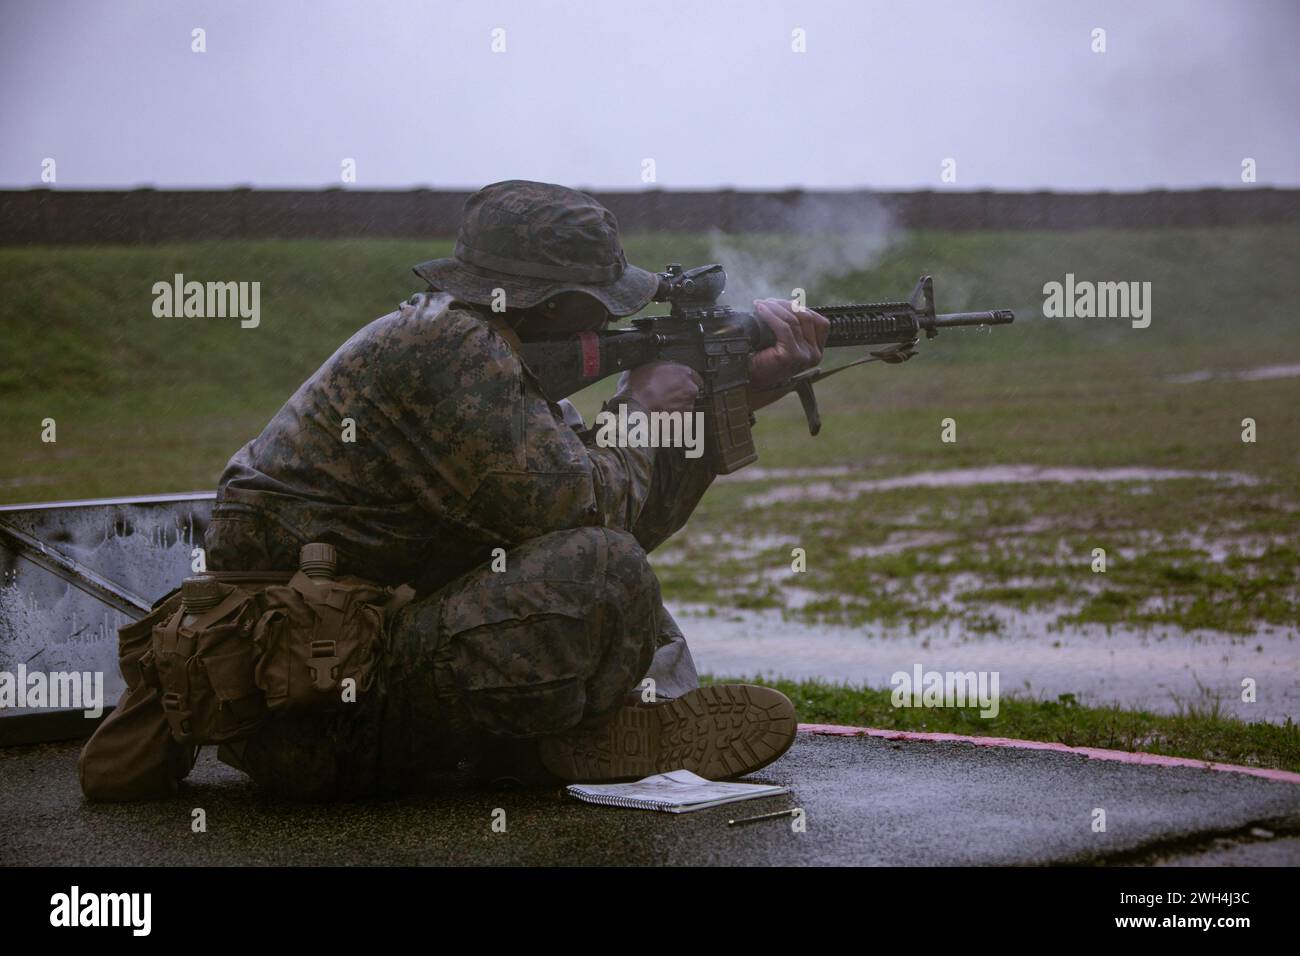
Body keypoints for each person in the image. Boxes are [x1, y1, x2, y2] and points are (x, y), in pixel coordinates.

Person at [84, 180, 830, 801]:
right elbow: (594, 515)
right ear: (548, 299)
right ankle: (536, 753)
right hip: (317, 717)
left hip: (328, 683)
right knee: (601, 567)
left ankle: (552, 743)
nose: (613, 314)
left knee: (607, 564)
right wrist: (639, 409)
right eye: (597, 298)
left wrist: (721, 399)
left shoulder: (484, 353)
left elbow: (614, 513)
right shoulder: (452, 354)